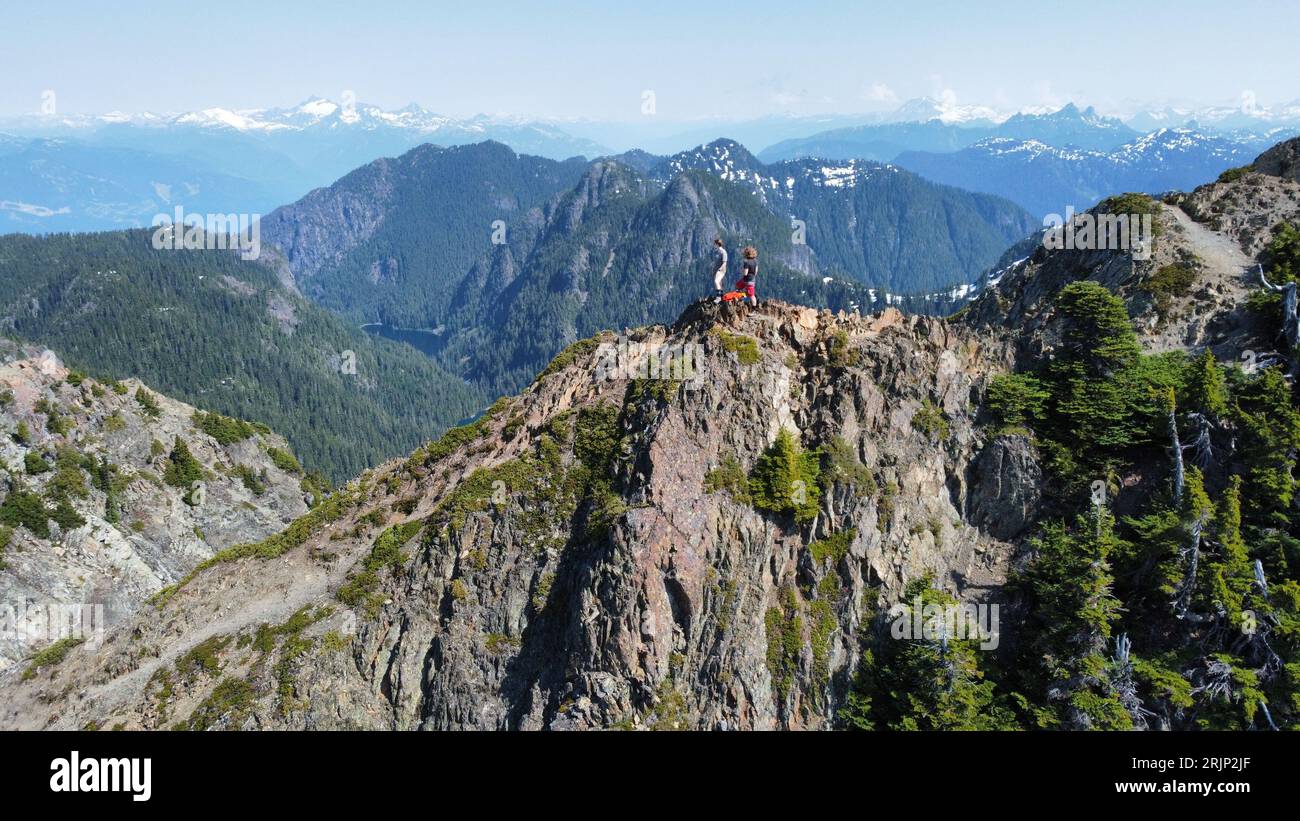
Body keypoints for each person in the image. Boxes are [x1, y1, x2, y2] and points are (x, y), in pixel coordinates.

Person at [711, 237, 728, 302]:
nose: (714, 245)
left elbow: (724, 263)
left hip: (721, 270)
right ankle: (721, 295)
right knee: (719, 282)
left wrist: (719, 269)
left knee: (716, 281)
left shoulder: (723, 252)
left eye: (714, 244)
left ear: (717, 244)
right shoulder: (717, 252)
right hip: (717, 269)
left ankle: (718, 297)